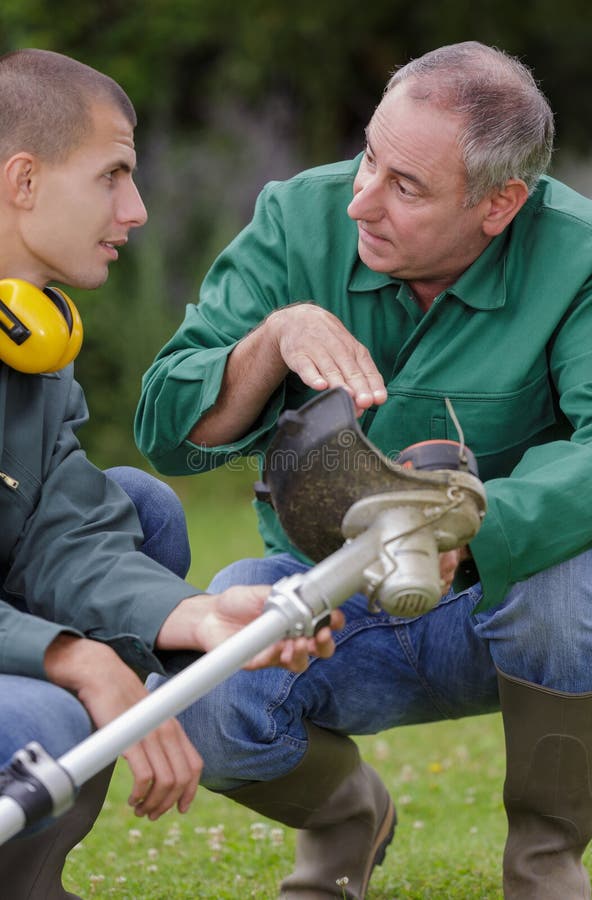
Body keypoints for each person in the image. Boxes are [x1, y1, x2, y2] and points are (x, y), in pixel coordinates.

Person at [136, 40, 592, 900]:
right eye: (368, 159)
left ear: (500, 203)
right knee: (208, 687)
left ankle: (546, 864)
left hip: (500, 601)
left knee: (569, 593)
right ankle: (347, 817)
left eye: (406, 187)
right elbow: (164, 424)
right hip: (326, 597)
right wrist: (271, 341)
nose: (361, 202)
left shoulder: (582, 256)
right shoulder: (296, 217)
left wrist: (468, 521)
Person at [0, 48, 340, 900]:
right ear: (25, 180)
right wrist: (72, 657)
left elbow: (63, 534)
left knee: (138, 512)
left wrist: (199, 616)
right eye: (113, 175)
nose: (138, 209)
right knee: (46, 717)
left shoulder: (33, 345)